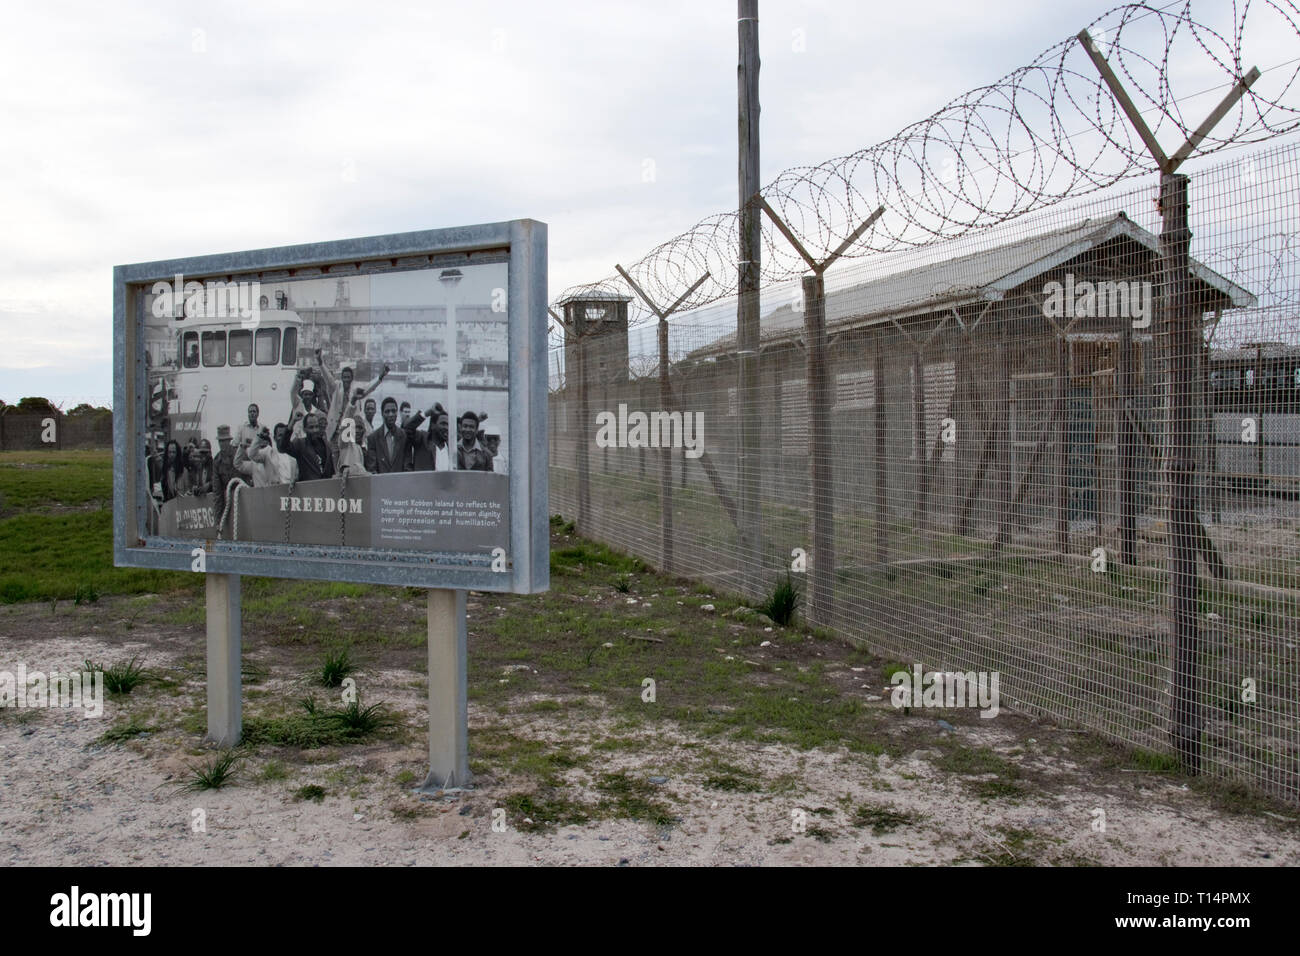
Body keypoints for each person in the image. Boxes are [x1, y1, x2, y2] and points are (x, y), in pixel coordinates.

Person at [317, 350, 389, 445]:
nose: (346, 379)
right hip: (334, 431)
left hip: (349, 431)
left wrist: (380, 377)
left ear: (352, 378)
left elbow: (369, 388)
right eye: (345, 377)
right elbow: (328, 378)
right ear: (342, 378)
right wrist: (320, 362)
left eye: (348, 377)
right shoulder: (336, 388)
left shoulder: (355, 391)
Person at [241, 422, 298, 487]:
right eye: (280, 435)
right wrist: (259, 436)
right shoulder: (268, 452)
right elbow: (252, 455)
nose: (283, 438)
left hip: (292, 493)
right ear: (274, 438)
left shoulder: (294, 453)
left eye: (285, 435)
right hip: (274, 492)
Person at [366, 397, 408, 474]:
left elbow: (407, 466)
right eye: (387, 412)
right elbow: (372, 469)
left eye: (393, 411)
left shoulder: (404, 436)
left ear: (397, 413)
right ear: (382, 414)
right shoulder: (373, 438)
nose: (391, 414)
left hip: (400, 483)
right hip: (380, 484)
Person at [290, 411, 336, 480]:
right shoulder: (300, 444)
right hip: (308, 488)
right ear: (304, 429)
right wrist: (292, 423)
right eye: (311, 427)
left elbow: (331, 472)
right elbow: (282, 447)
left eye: (317, 426)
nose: (315, 430)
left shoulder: (327, 446)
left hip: (326, 487)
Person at [212, 424, 243, 525]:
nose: (222, 444)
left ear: (229, 441)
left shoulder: (238, 454)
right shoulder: (217, 461)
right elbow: (217, 492)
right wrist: (218, 520)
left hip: (243, 496)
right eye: (220, 441)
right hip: (228, 500)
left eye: (224, 441)